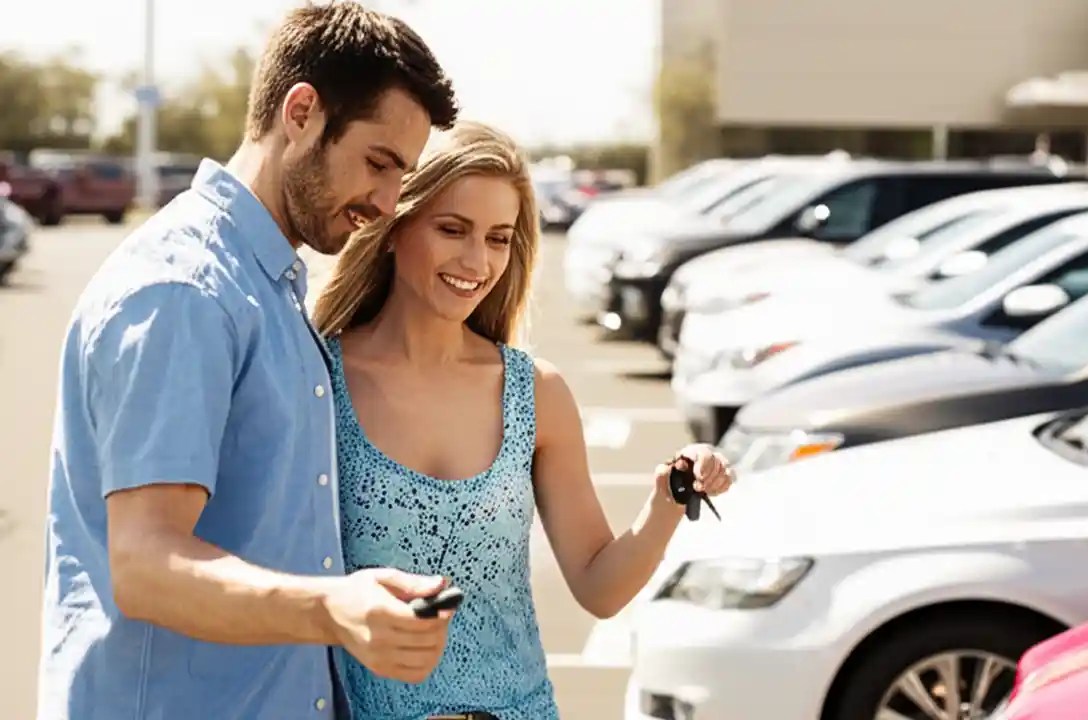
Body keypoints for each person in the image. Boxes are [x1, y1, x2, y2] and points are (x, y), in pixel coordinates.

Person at [38, 4, 459, 719]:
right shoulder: (185, 293)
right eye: (379, 163)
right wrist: (332, 607)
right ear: (301, 113)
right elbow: (146, 566)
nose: (388, 203)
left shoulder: (266, 287)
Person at [309, 120, 736, 719]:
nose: (476, 261)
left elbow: (599, 586)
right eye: (452, 229)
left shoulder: (535, 393)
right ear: (392, 228)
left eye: (499, 238)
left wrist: (667, 500)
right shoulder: (315, 379)